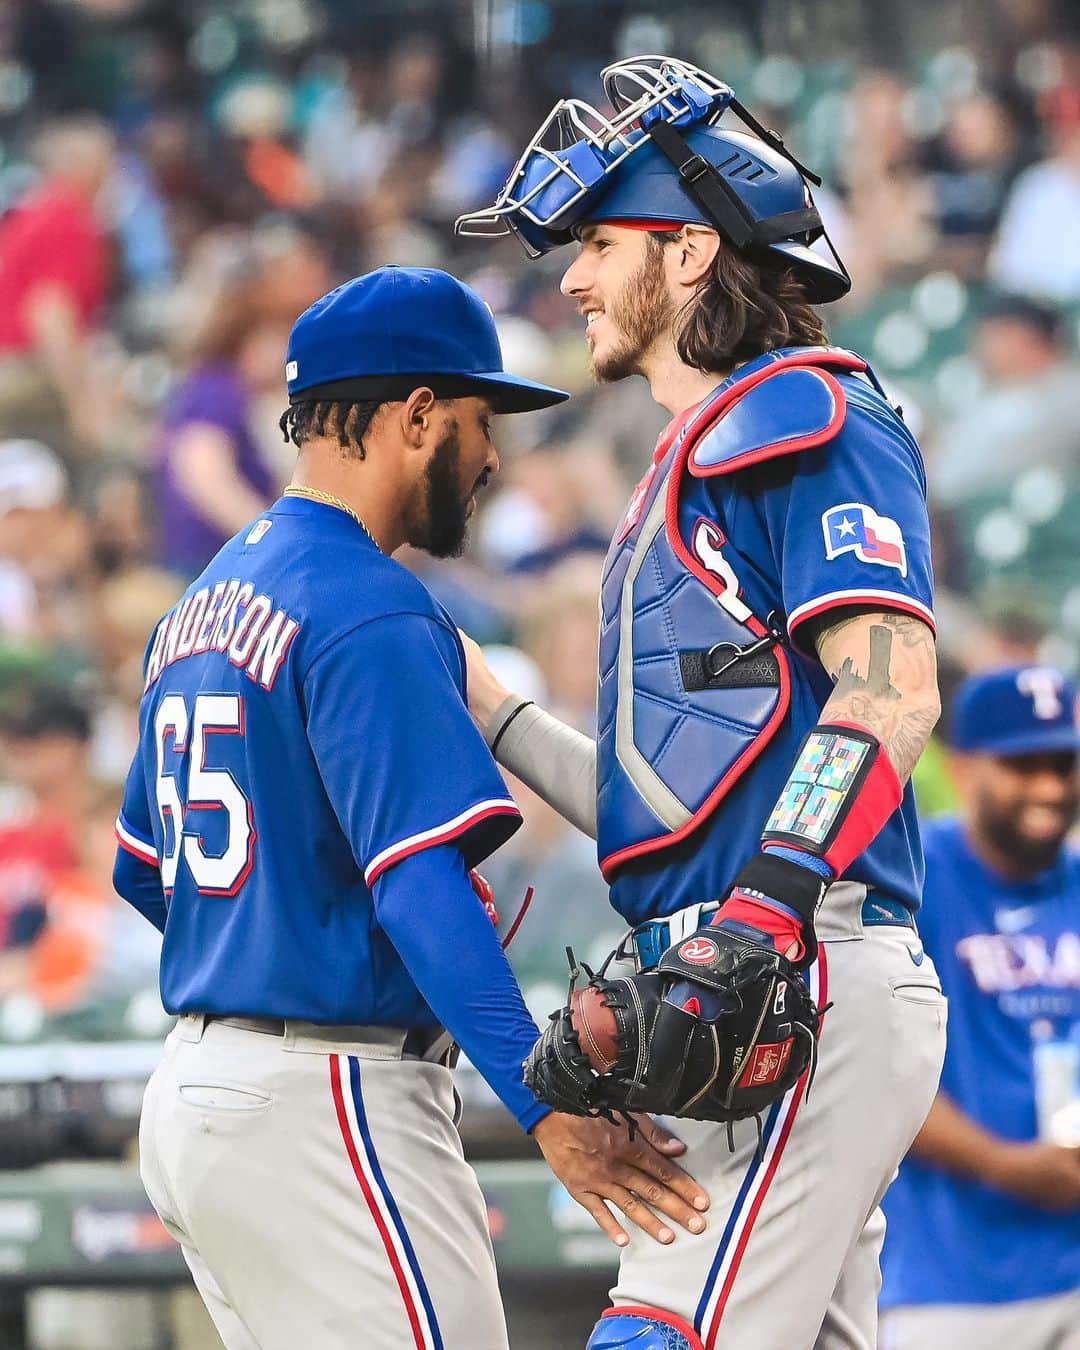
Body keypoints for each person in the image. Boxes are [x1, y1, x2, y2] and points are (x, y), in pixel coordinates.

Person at [112, 266, 708, 1350]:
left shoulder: (197, 604)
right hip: (327, 1104)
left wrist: (272, 954)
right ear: (416, 415)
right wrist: (551, 1114)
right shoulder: (372, 606)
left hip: (201, 1092)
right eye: (480, 423)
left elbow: (144, 873)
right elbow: (420, 892)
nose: (492, 459)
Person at [455, 55, 947, 1350]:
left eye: (601, 241)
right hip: (739, 971)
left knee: (666, 1325)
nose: (569, 277)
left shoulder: (801, 410)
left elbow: (892, 684)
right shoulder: (685, 453)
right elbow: (656, 806)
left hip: (799, 966)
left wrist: (762, 912)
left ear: (685, 255)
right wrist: (493, 709)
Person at [880, 665, 1080, 1350]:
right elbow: (878, 1071)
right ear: (962, 766)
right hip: (947, 1278)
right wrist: (1003, 1162)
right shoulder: (909, 880)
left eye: (1064, 764)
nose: (1050, 788)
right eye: (1022, 765)